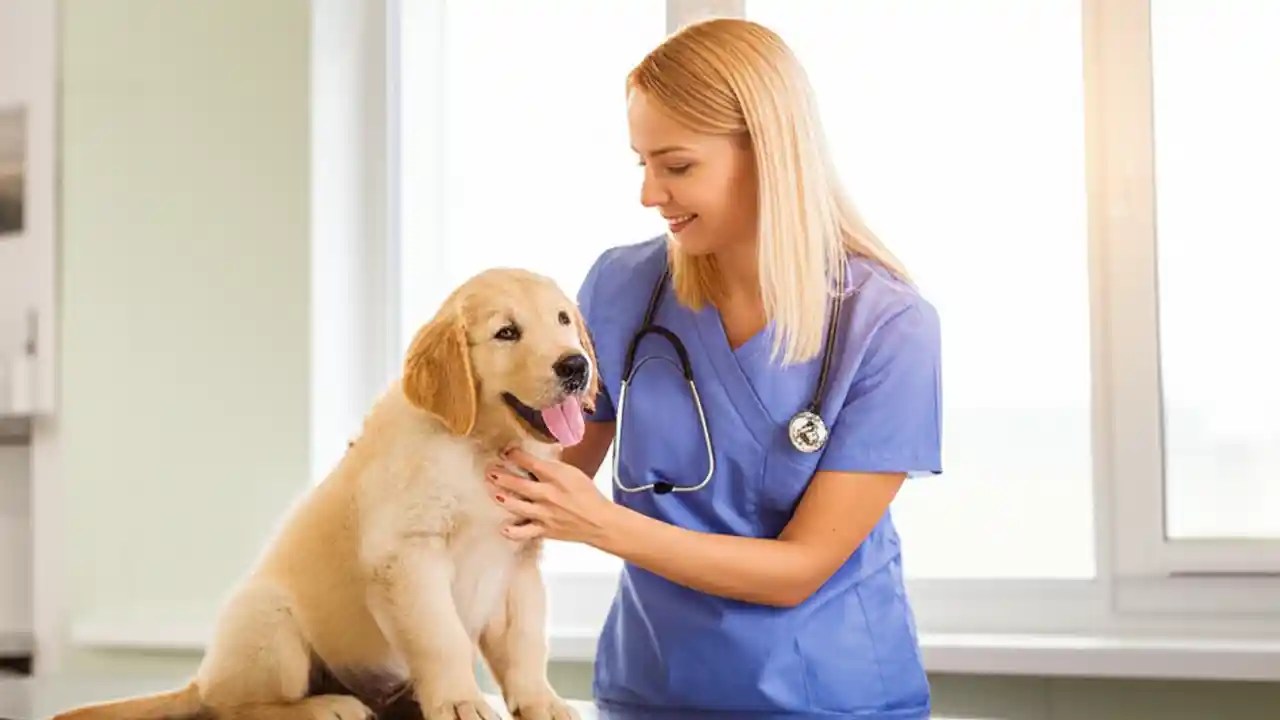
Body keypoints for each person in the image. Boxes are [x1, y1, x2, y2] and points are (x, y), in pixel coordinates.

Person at [485, 17, 942, 720]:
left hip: (829, 700)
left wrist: (604, 525)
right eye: (641, 163)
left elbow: (800, 570)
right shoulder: (620, 289)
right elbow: (540, 480)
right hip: (650, 694)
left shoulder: (886, 326)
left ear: (768, 154)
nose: (649, 193)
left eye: (677, 166)